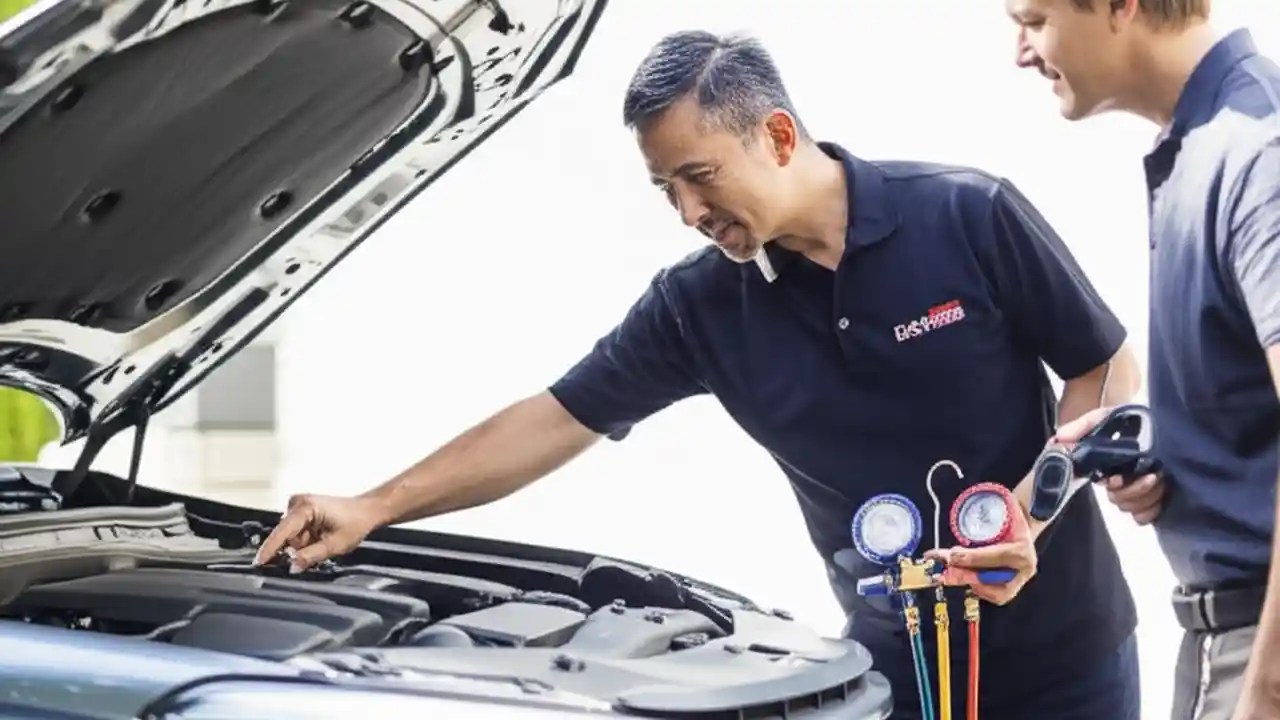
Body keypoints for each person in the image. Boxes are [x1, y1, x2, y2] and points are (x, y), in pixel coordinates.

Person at [256, 30, 1144, 719]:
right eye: (664, 189)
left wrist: (1029, 512)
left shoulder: (965, 213)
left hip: (1071, 664)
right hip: (884, 676)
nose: (687, 211)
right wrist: (377, 505)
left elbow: (1104, 363)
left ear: (779, 135)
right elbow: (554, 418)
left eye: (700, 176)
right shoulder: (697, 307)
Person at [999, 1, 1280, 718]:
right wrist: (1177, 454)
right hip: (1226, 634)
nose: (1021, 54)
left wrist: (1268, 692)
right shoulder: (1200, 145)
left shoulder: (1258, 153)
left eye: (1032, 19)